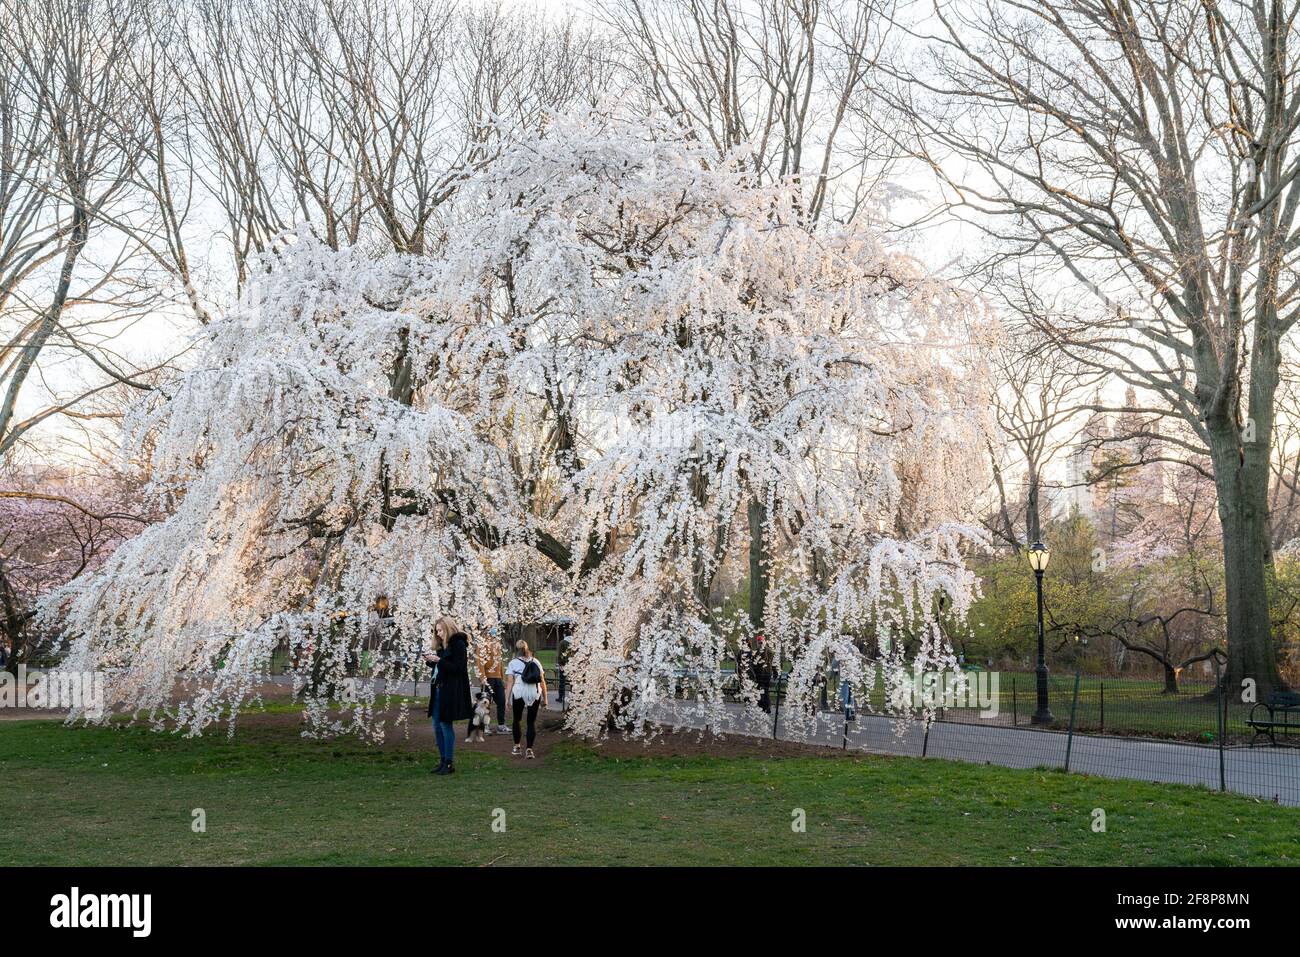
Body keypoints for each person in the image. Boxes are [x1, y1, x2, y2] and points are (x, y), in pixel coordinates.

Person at [426, 616, 473, 775]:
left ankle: (449, 762)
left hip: (451, 691)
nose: (438, 634)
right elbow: (444, 667)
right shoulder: (442, 646)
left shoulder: (458, 644)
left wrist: (438, 660)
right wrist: (431, 661)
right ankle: (442, 760)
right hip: (439, 690)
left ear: (448, 628)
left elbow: (458, 668)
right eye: (436, 631)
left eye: (440, 630)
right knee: (436, 726)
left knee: (446, 725)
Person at [505, 639, 547, 759]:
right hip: (534, 691)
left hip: (519, 691)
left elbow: (509, 682)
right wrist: (545, 698)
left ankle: (517, 747)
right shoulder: (536, 661)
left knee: (517, 719)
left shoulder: (513, 663)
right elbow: (542, 681)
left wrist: (507, 699)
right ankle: (529, 750)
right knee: (530, 722)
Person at [476, 625, 508, 734]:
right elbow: (479, 662)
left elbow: (500, 663)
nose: (493, 634)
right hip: (488, 678)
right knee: (485, 703)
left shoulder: (497, 644)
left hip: (498, 678)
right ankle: (485, 726)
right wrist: (482, 677)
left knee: (502, 702)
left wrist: (503, 678)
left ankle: (501, 725)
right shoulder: (482, 645)